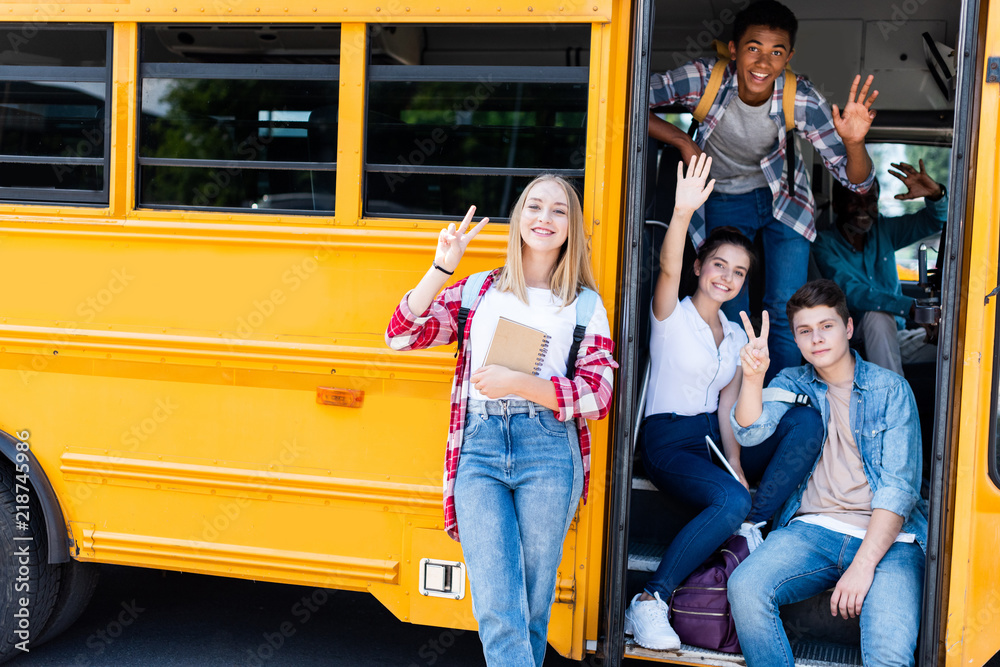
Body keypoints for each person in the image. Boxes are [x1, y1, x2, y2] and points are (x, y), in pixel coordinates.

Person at [385, 175, 617, 666]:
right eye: (535, 206)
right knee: (497, 604)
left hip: (548, 449)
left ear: (572, 226)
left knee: (531, 607)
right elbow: (401, 335)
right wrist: (441, 267)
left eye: (559, 211)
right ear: (519, 218)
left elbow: (597, 395)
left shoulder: (585, 305)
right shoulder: (479, 290)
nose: (545, 218)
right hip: (480, 446)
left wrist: (519, 383)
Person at [624, 155, 823, 651]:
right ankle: (649, 599)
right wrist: (683, 211)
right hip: (668, 439)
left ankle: (752, 522)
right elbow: (668, 264)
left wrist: (736, 461)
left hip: (711, 438)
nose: (727, 278)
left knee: (805, 423)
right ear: (699, 266)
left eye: (738, 272)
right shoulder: (671, 313)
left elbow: (727, 409)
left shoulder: (736, 335)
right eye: (718, 265)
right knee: (729, 500)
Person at [648, 0, 878, 382]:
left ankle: (780, 401)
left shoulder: (799, 96)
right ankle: (737, 402)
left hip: (784, 201)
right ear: (735, 49)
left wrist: (853, 142)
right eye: (753, 48)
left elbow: (857, 180)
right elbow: (624, 97)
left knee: (788, 309)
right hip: (722, 199)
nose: (763, 63)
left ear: (788, 57)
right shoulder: (703, 78)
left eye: (776, 52)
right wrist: (682, 141)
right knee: (730, 310)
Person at [727, 279, 927, 667]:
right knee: (745, 586)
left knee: (888, 656)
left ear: (848, 329)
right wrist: (753, 376)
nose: (816, 339)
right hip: (812, 530)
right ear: (797, 341)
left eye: (827, 326)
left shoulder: (891, 390)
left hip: (891, 542)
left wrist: (862, 566)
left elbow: (900, 490)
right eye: (805, 331)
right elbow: (750, 432)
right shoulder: (791, 381)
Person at [812, 160, 947, 375]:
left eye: (871, 200)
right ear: (836, 205)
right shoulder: (824, 244)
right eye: (853, 201)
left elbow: (936, 221)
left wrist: (935, 195)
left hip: (894, 338)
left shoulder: (883, 229)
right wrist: (909, 306)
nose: (863, 209)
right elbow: (852, 292)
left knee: (952, 340)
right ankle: (893, 404)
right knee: (877, 316)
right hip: (850, 344)